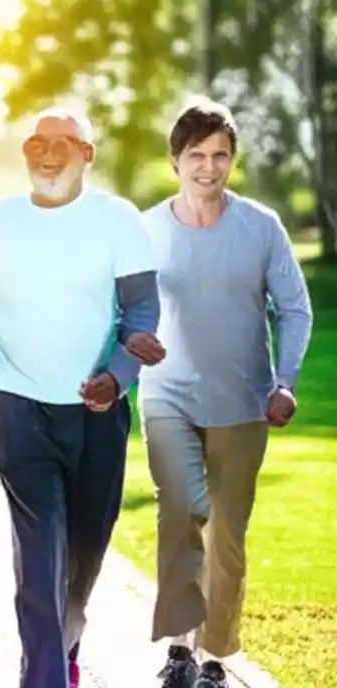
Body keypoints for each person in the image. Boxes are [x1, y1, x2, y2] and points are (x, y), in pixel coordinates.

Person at [0, 108, 167, 688]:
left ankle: (68, 636)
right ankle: (45, 677)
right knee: (39, 554)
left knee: (84, 556)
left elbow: (141, 312)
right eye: (36, 142)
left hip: (96, 413)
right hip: (17, 406)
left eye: (63, 142)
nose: (47, 152)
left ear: (87, 154)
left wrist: (119, 372)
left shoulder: (118, 220)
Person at [140, 98, 313, 688]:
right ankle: (178, 650)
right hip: (167, 397)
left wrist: (284, 381)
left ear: (232, 160)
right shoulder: (147, 230)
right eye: (196, 155)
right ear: (175, 162)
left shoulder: (260, 227)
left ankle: (212, 657)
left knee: (226, 536)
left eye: (220, 155)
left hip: (243, 403)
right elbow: (118, 310)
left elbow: (294, 308)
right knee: (182, 511)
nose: (208, 167)